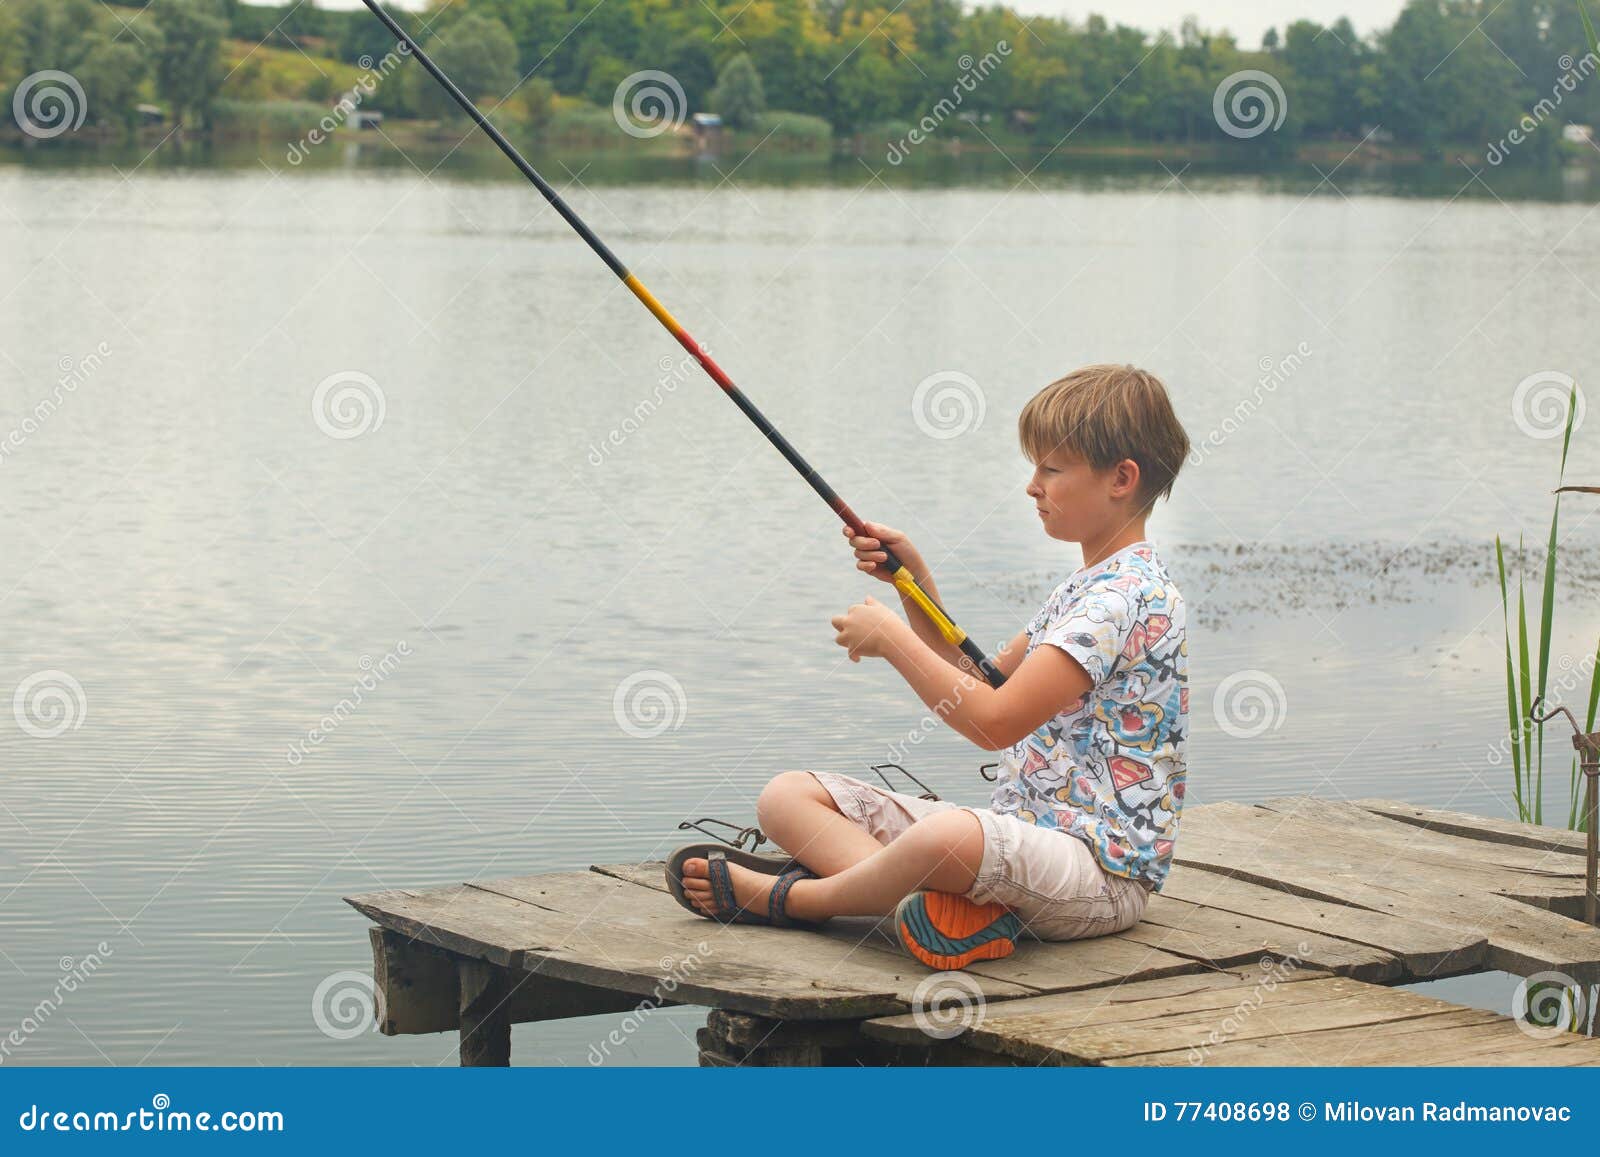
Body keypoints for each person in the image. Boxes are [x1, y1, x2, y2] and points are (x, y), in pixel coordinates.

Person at [675, 364, 1191, 970]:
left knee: (945, 837)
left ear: (1121, 479)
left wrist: (894, 641)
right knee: (787, 797)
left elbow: (993, 723)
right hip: (1020, 840)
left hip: (1099, 875)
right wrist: (912, 583)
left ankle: (797, 900)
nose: (1032, 486)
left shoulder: (1125, 600)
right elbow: (982, 679)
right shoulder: (1085, 589)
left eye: (1051, 469)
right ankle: (932, 909)